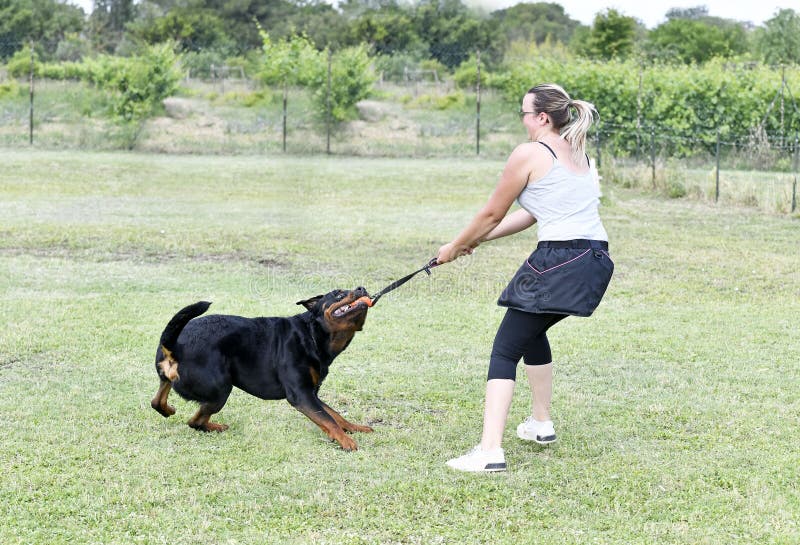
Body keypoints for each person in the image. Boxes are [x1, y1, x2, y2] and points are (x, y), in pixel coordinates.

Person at [436, 83, 614, 473]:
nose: (522, 120)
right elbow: (533, 213)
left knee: (505, 348)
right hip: (594, 258)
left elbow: (491, 213)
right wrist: (474, 243)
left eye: (524, 113)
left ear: (542, 118)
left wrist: (456, 245)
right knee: (532, 332)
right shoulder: (578, 152)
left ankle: (489, 451)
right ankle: (540, 424)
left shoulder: (531, 153)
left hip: (561, 258)